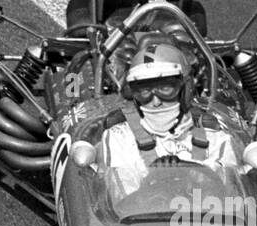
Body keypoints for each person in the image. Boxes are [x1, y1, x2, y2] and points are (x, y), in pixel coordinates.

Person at [100, 40, 238, 197]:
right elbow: (121, 200)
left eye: (165, 89)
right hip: (145, 219)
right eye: (145, 91)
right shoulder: (119, 138)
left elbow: (227, 192)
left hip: (207, 219)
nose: (156, 102)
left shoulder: (216, 139)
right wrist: (155, 182)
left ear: (185, 89)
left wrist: (187, 172)